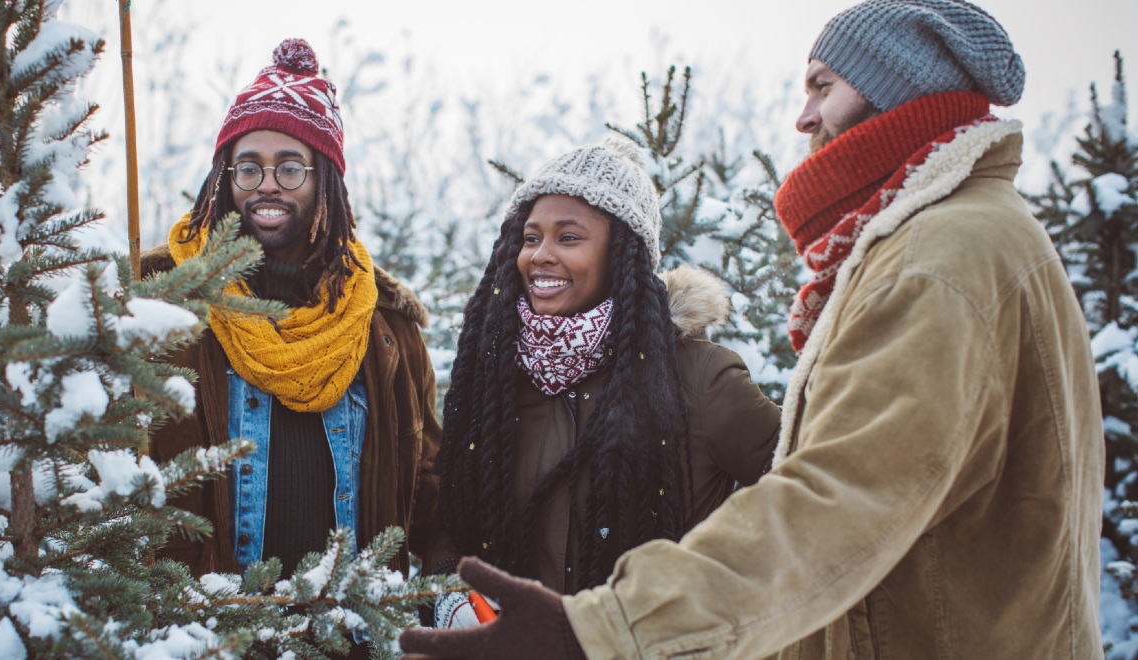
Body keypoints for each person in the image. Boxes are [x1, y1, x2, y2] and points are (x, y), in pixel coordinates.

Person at [399, 1, 1105, 658]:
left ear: (896, 92)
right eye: (531, 235)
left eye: (822, 87)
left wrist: (603, 628)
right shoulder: (950, 241)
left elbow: (827, 500)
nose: (804, 116)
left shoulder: (939, 259)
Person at [425, 138, 780, 628]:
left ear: (622, 254)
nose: (540, 256)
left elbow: (811, 491)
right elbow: (453, 520)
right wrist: (451, 591)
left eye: (568, 238)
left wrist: (721, 601)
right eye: (531, 238)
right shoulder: (496, 381)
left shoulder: (701, 377)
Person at [140, 38, 440, 584]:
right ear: (224, 181)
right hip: (204, 634)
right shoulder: (161, 297)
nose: (268, 185)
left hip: (351, 632)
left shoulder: (384, 326)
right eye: (248, 168)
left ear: (325, 178)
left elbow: (427, 489)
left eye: (290, 167)